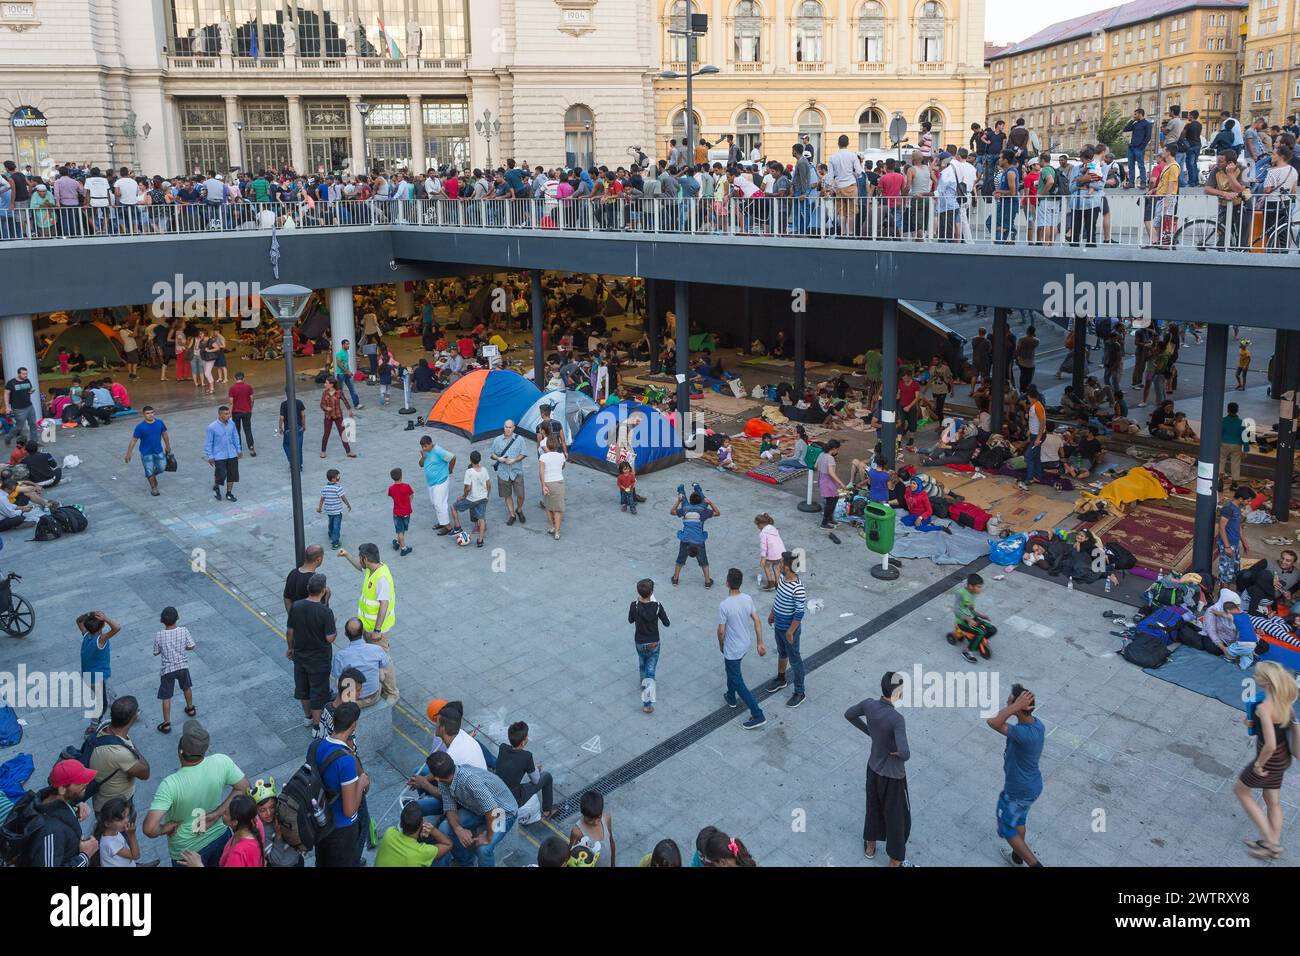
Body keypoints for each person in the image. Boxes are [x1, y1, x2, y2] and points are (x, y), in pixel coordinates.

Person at [143, 719, 249, 867]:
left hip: (187, 852)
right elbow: (243, 787)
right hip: (220, 835)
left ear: (180, 752)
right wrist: (218, 813)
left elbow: (149, 829)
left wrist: (165, 828)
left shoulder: (170, 785)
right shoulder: (221, 762)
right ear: (204, 750)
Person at [844, 672, 912, 866]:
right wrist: (897, 752)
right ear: (898, 693)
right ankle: (894, 860)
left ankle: (870, 846)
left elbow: (849, 714)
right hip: (893, 776)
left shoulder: (868, 705)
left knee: (873, 806)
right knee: (898, 817)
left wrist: (870, 732)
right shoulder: (897, 719)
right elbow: (905, 753)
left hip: (873, 767)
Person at [1234, 660, 1296, 860]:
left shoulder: (1265, 707)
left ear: (1267, 681)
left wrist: (1259, 765)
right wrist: (1253, 722)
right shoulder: (1284, 701)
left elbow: (1269, 744)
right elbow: (1280, 728)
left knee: (1241, 791)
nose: (1255, 676)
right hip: (1283, 759)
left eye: (1258, 675)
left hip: (1269, 760)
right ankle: (1272, 843)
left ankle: (1270, 843)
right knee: (1272, 800)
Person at [427, 751, 520, 868]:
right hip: (478, 809)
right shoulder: (444, 782)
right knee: (445, 828)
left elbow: (492, 810)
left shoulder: (470, 780)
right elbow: (450, 808)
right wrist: (458, 829)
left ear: (436, 777)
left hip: (502, 813)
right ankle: (466, 862)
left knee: (484, 849)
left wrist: (488, 837)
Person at [987, 685, 1045, 867]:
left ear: (1020, 707)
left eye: (1010, 701)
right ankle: (1016, 857)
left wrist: (1014, 707)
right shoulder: (1037, 725)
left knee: (1007, 827)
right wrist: (1017, 706)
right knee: (1019, 819)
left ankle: (1034, 864)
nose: (1006, 702)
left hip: (1018, 790)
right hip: (1030, 787)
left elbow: (993, 722)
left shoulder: (1023, 734)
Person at [310, 701, 368, 867]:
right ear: (354, 725)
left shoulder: (315, 746)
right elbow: (349, 810)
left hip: (320, 822)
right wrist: (361, 782)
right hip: (341, 830)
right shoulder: (346, 761)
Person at [337, 543, 397, 701]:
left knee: (385, 661)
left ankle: (392, 692)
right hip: (367, 627)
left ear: (365, 558)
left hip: (377, 631)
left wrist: (377, 630)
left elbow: (384, 604)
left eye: (359, 557)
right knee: (376, 659)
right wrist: (347, 555)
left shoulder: (381, 577)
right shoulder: (372, 569)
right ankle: (382, 687)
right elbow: (359, 567)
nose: (359, 560)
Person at [21, 760, 99, 867]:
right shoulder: (49, 831)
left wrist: (75, 807)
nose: (86, 783)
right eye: (79, 782)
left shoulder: (48, 797)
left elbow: (60, 808)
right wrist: (84, 856)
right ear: (62, 789)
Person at [286, 572, 337, 737]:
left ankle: (307, 717)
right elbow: (330, 638)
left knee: (303, 687)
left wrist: (290, 648)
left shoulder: (297, 606)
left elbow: (290, 631)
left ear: (308, 588)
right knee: (318, 691)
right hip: (319, 659)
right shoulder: (325, 612)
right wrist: (333, 625)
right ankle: (317, 727)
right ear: (323, 590)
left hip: (300, 655)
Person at [718, 567, 767, 730]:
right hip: (745, 643)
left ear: (727, 583)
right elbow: (757, 621)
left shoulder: (724, 605)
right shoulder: (747, 598)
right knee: (731, 671)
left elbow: (721, 630)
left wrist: (721, 644)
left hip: (732, 648)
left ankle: (757, 713)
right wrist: (760, 642)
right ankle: (731, 697)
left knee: (738, 680)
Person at [87, 696, 151, 816]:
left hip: (102, 801)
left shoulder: (104, 726)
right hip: (115, 808)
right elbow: (145, 772)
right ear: (135, 717)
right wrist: (130, 747)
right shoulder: (121, 753)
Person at [766, 551, 808, 707]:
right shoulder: (782, 579)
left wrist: (790, 632)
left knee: (795, 660)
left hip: (789, 631)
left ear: (788, 566)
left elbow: (799, 614)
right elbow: (778, 599)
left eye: (782, 563)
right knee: (782, 653)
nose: (779, 565)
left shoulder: (798, 589)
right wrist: (772, 614)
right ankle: (781, 678)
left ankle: (800, 692)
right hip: (779, 627)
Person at [495, 721, 556, 821]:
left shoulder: (502, 748)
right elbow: (535, 780)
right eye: (527, 736)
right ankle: (547, 811)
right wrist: (535, 769)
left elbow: (512, 764)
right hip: (514, 798)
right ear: (523, 742)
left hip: (498, 791)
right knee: (547, 777)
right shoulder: (526, 756)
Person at [152, 606, 196, 735]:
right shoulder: (184, 630)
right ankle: (190, 708)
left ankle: (166, 724)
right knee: (186, 687)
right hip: (182, 667)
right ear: (178, 617)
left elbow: (155, 652)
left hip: (167, 670)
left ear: (161, 621)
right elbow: (191, 646)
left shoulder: (159, 635)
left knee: (166, 697)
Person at [629, 577, 670, 714]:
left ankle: (642, 682)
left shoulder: (634, 605)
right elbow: (666, 623)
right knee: (650, 671)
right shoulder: (657, 606)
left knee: (642, 661)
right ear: (652, 592)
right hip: (653, 643)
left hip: (639, 642)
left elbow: (630, 620)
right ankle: (647, 704)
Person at [77, 609, 120, 730]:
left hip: (88, 676)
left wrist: (89, 614)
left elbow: (79, 620)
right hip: (99, 678)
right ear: (102, 626)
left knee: (110, 694)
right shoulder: (100, 640)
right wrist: (105, 618)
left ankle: (126, 711)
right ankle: (93, 725)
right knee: (103, 703)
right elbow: (117, 628)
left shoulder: (86, 634)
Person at [375, 801, 453, 867]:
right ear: (422, 825)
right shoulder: (422, 853)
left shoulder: (389, 832)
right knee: (444, 856)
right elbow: (448, 844)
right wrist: (433, 830)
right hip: (418, 853)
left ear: (401, 823)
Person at [671, 481, 719, 587]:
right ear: (701, 502)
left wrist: (678, 501)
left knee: (680, 559)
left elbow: (672, 511)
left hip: (686, 539)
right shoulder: (703, 510)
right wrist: (710, 502)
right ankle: (707, 581)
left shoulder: (685, 508)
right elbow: (717, 513)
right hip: (698, 540)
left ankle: (675, 578)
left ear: (691, 502)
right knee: (703, 561)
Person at [124, 405, 171, 496]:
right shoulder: (140, 427)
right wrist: (128, 453)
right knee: (149, 470)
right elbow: (134, 440)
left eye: (152, 413)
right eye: (148, 413)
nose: (150, 415)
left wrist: (168, 446)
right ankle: (154, 488)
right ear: (144, 415)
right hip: (146, 453)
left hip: (158, 451)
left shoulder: (160, 423)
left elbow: (164, 434)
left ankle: (152, 475)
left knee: (162, 467)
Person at [951, 572, 997, 663]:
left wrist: (981, 615)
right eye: (979, 587)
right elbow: (956, 610)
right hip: (962, 622)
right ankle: (967, 651)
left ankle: (978, 642)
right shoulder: (960, 593)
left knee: (992, 629)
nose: (981, 589)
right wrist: (968, 619)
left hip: (973, 619)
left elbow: (970, 609)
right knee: (981, 631)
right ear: (970, 586)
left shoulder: (973, 594)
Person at [489, 419, 528, 525]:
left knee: (521, 495)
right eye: (506, 427)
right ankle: (512, 514)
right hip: (503, 472)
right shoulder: (497, 440)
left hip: (516, 471)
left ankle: (519, 510)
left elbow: (524, 453)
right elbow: (492, 454)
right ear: (504, 427)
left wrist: (514, 460)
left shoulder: (520, 439)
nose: (508, 429)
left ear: (514, 428)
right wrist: (499, 458)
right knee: (507, 495)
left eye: (510, 427)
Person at [451, 449, 491, 547]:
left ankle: (457, 527)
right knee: (481, 519)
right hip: (483, 497)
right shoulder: (484, 470)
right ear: (480, 460)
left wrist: (463, 496)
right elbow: (489, 485)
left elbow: (468, 488)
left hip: (472, 498)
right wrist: (487, 496)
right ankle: (480, 541)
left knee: (453, 507)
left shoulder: (469, 472)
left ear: (470, 460)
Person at [94, 797, 148, 867]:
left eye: (127, 816)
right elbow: (136, 855)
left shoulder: (114, 832)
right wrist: (132, 835)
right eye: (120, 819)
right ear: (107, 823)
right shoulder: (111, 843)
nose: (126, 821)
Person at [418, 434, 456, 535]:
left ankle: (447, 527)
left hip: (441, 481)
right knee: (435, 503)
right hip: (431, 483)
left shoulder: (438, 451)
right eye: (422, 446)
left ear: (431, 444)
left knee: (440, 504)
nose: (424, 448)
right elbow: (421, 464)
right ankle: (442, 522)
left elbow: (453, 457)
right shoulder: (425, 452)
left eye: (425, 446)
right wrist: (423, 457)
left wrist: (450, 470)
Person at [204, 405, 242, 502]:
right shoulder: (212, 427)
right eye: (226, 414)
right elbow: (209, 443)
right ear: (220, 415)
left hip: (232, 454)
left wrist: (238, 450)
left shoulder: (232, 424)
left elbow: (235, 437)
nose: (229, 415)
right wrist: (210, 456)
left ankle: (229, 493)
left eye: (229, 413)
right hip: (219, 455)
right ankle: (216, 486)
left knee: (232, 474)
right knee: (220, 474)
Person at [568, 790, 616, 867]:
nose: (595, 822)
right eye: (590, 820)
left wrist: (613, 863)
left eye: (598, 818)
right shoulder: (577, 831)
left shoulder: (606, 818)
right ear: (583, 814)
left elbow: (611, 841)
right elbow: (570, 855)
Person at [1218, 485, 1253, 582]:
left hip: (1234, 544)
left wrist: (1244, 542)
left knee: (1233, 570)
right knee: (1226, 573)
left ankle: (1228, 591)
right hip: (1228, 545)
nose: (1249, 503)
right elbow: (1221, 527)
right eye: (1248, 501)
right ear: (1241, 499)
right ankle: (1224, 594)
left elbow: (1238, 526)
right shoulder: (1228, 509)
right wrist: (1227, 546)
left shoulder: (1237, 507)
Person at [319, 377, 356, 459]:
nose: (325, 384)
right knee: (326, 434)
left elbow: (345, 401)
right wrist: (326, 408)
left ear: (331, 385)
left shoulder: (339, 392)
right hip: (328, 416)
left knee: (343, 433)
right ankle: (323, 451)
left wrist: (349, 410)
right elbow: (322, 404)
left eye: (326, 383)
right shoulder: (325, 393)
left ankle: (348, 451)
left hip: (338, 415)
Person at [4, 366, 39, 447]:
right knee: (19, 427)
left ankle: (34, 442)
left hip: (29, 406)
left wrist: (31, 392)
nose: (26, 375)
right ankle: (8, 438)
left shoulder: (27, 380)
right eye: (23, 374)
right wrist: (7, 407)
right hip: (18, 409)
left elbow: (28, 391)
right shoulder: (11, 383)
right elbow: (6, 394)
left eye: (26, 374)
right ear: (19, 374)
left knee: (33, 424)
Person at [317, 468, 351, 551]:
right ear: (333, 478)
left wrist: (319, 508)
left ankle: (330, 533)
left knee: (331, 522)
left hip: (329, 510)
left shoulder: (325, 488)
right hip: (337, 511)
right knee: (337, 526)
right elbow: (343, 498)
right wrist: (348, 505)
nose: (339, 477)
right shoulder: (338, 488)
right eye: (338, 476)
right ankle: (335, 543)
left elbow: (322, 499)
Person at [539, 438, 567, 540]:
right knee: (558, 509)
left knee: (548, 506)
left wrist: (543, 486)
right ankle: (557, 532)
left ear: (547, 445)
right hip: (559, 482)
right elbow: (562, 467)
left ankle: (551, 527)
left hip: (548, 482)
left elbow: (541, 472)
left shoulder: (543, 457)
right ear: (557, 445)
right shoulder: (561, 456)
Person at [816, 439, 845, 529]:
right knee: (831, 502)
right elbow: (831, 473)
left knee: (833, 499)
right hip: (829, 482)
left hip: (822, 479)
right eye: (837, 449)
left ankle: (830, 519)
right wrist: (841, 482)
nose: (837, 451)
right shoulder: (830, 458)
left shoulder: (821, 454)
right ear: (833, 449)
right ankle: (824, 523)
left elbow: (816, 466)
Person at [227, 371, 255, 456]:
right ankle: (251, 449)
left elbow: (231, 402)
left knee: (236, 431)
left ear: (235, 379)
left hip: (236, 412)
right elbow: (252, 399)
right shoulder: (248, 387)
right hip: (247, 411)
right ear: (244, 378)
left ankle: (238, 450)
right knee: (248, 430)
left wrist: (229, 413)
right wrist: (250, 408)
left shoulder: (232, 388)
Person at [754, 513, 785, 591]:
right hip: (780, 551)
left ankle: (771, 584)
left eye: (757, 525)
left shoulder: (763, 533)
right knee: (776, 566)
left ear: (761, 524)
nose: (757, 527)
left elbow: (764, 547)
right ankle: (778, 584)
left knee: (766, 566)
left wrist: (763, 558)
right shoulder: (773, 528)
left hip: (773, 553)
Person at [387, 467, 414, 556]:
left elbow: (392, 496)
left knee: (400, 531)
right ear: (401, 476)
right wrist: (407, 503)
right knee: (402, 531)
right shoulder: (406, 486)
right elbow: (411, 496)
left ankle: (399, 544)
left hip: (397, 513)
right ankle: (403, 548)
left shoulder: (391, 488)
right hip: (406, 512)